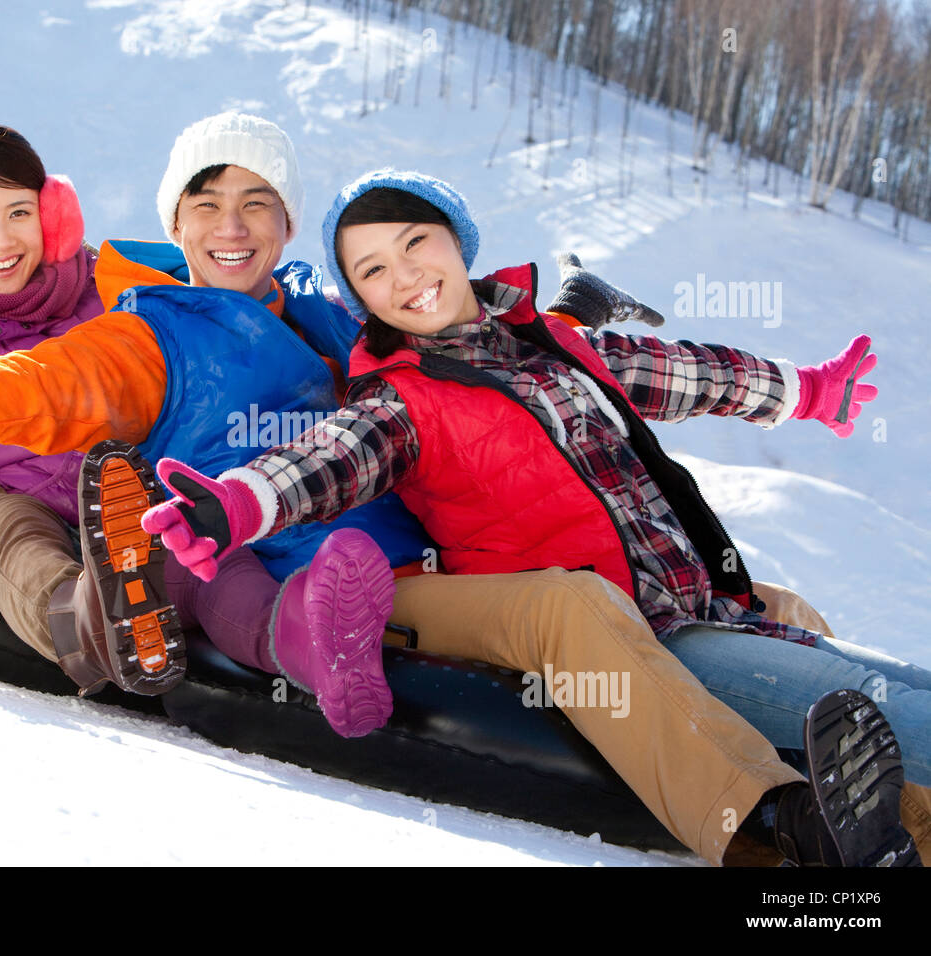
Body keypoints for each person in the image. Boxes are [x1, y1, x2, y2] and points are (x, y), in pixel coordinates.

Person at [0, 113, 654, 731]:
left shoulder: (291, 312)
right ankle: (101, 619)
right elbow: (27, 385)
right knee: (62, 537)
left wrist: (564, 315)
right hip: (111, 507)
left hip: (341, 538)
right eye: (207, 206)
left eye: (256, 205)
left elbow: (437, 319)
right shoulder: (132, 327)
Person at [139, 168, 931, 867]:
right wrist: (234, 503)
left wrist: (804, 391)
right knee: (898, 708)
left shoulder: (558, 347)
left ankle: (897, 833)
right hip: (618, 625)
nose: (406, 274)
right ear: (362, 299)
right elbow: (326, 460)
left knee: (827, 641)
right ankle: (778, 823)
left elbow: (689, 371)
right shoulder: (399, 399)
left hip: (691, 602)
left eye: (418, 242)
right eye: (375, 270)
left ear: (458, 243)